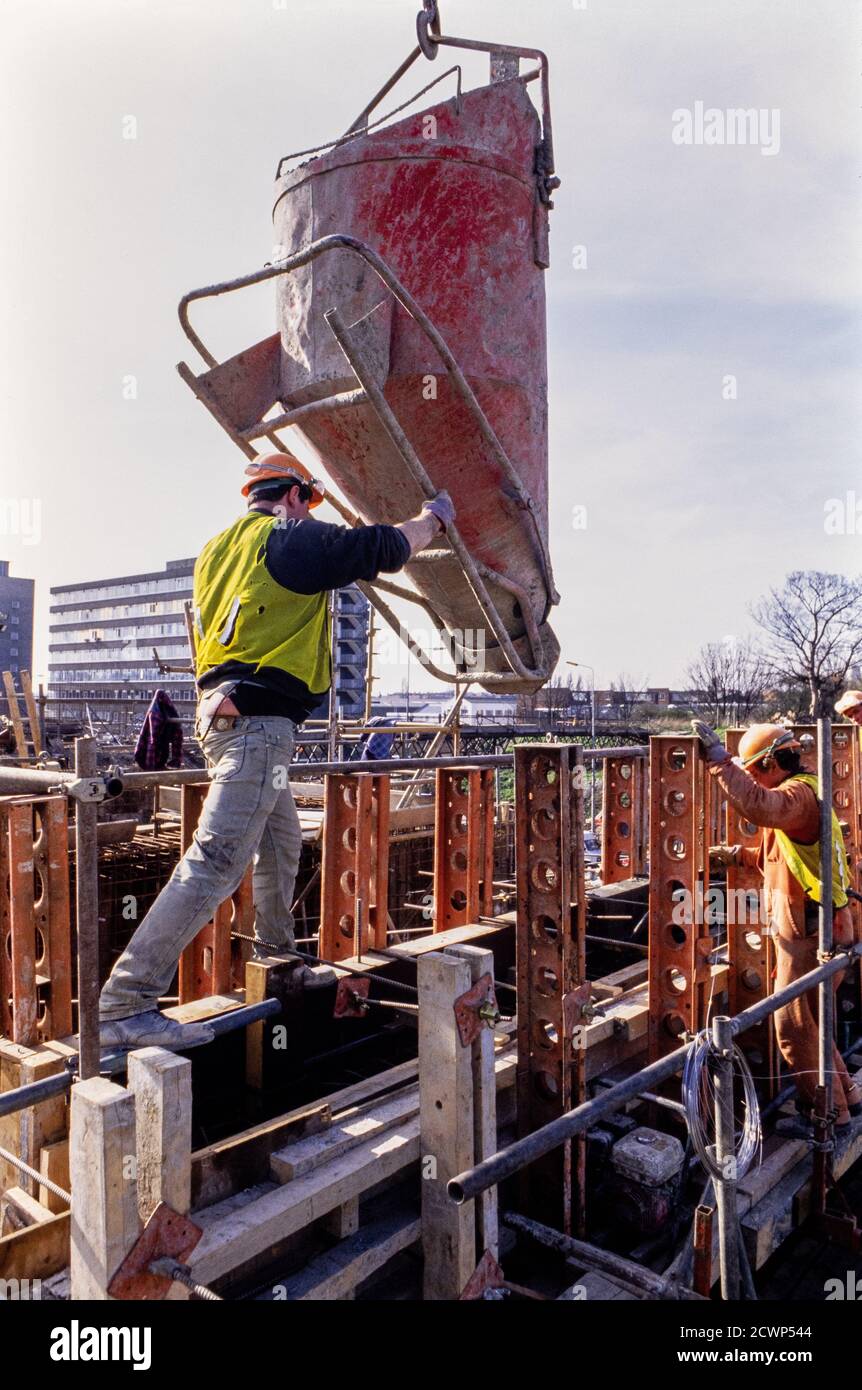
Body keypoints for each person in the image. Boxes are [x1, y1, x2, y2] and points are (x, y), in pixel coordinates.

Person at [98, 451, 455, 1050]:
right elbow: (380, 549)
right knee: (216, 860)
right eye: (307, 502)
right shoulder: (286, 538)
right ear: (292, 495)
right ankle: (125, 1002)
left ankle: (277, 957)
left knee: (281, 841)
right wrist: (433, 520)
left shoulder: (219, 549)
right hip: (258, 730)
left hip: (234, 725)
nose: (308, 512)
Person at [694, 719, 862, 1131]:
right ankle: (847, 1099)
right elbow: (780, 858)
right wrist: (735, 855)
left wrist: (719, 761)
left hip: (812, 930)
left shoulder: (798, 796)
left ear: (771, 762)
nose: (753, 783)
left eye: (754, 774)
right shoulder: (804, 796)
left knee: (792, 1026)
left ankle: (826, 1115)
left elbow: (759, 806)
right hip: (817, 926)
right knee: (814, 1022)